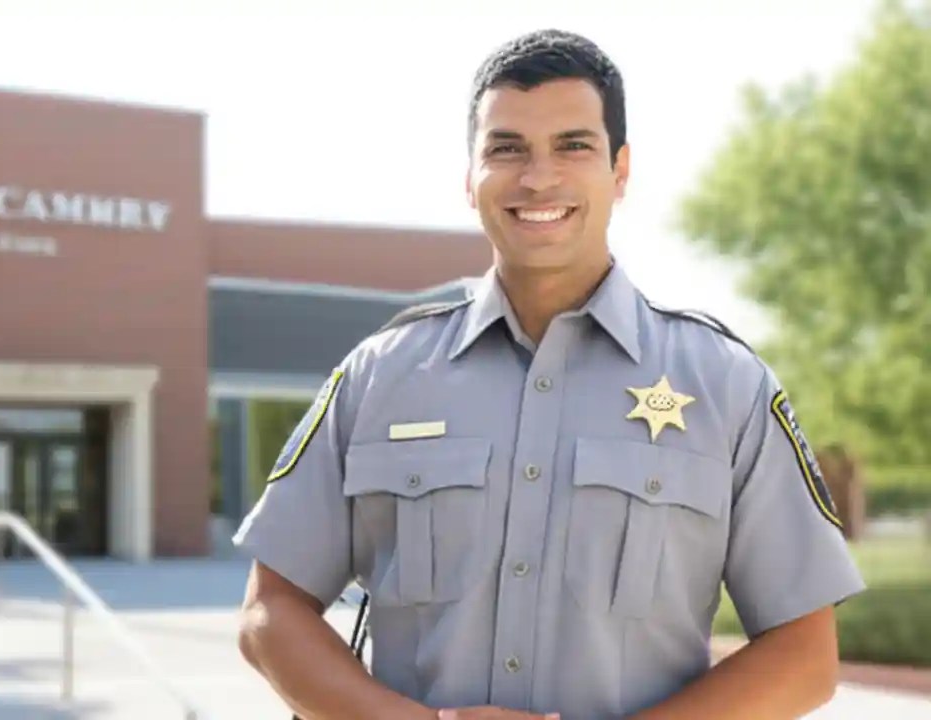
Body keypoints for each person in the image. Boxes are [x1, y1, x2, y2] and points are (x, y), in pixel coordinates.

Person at [232, 28, 866, 720]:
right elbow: (270, 613)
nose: (538, 178)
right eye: (507, 149)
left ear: (620, 170)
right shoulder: (380, 377)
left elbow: (805, 655)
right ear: (469, 177)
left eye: (573, 146)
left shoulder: (726, 385)